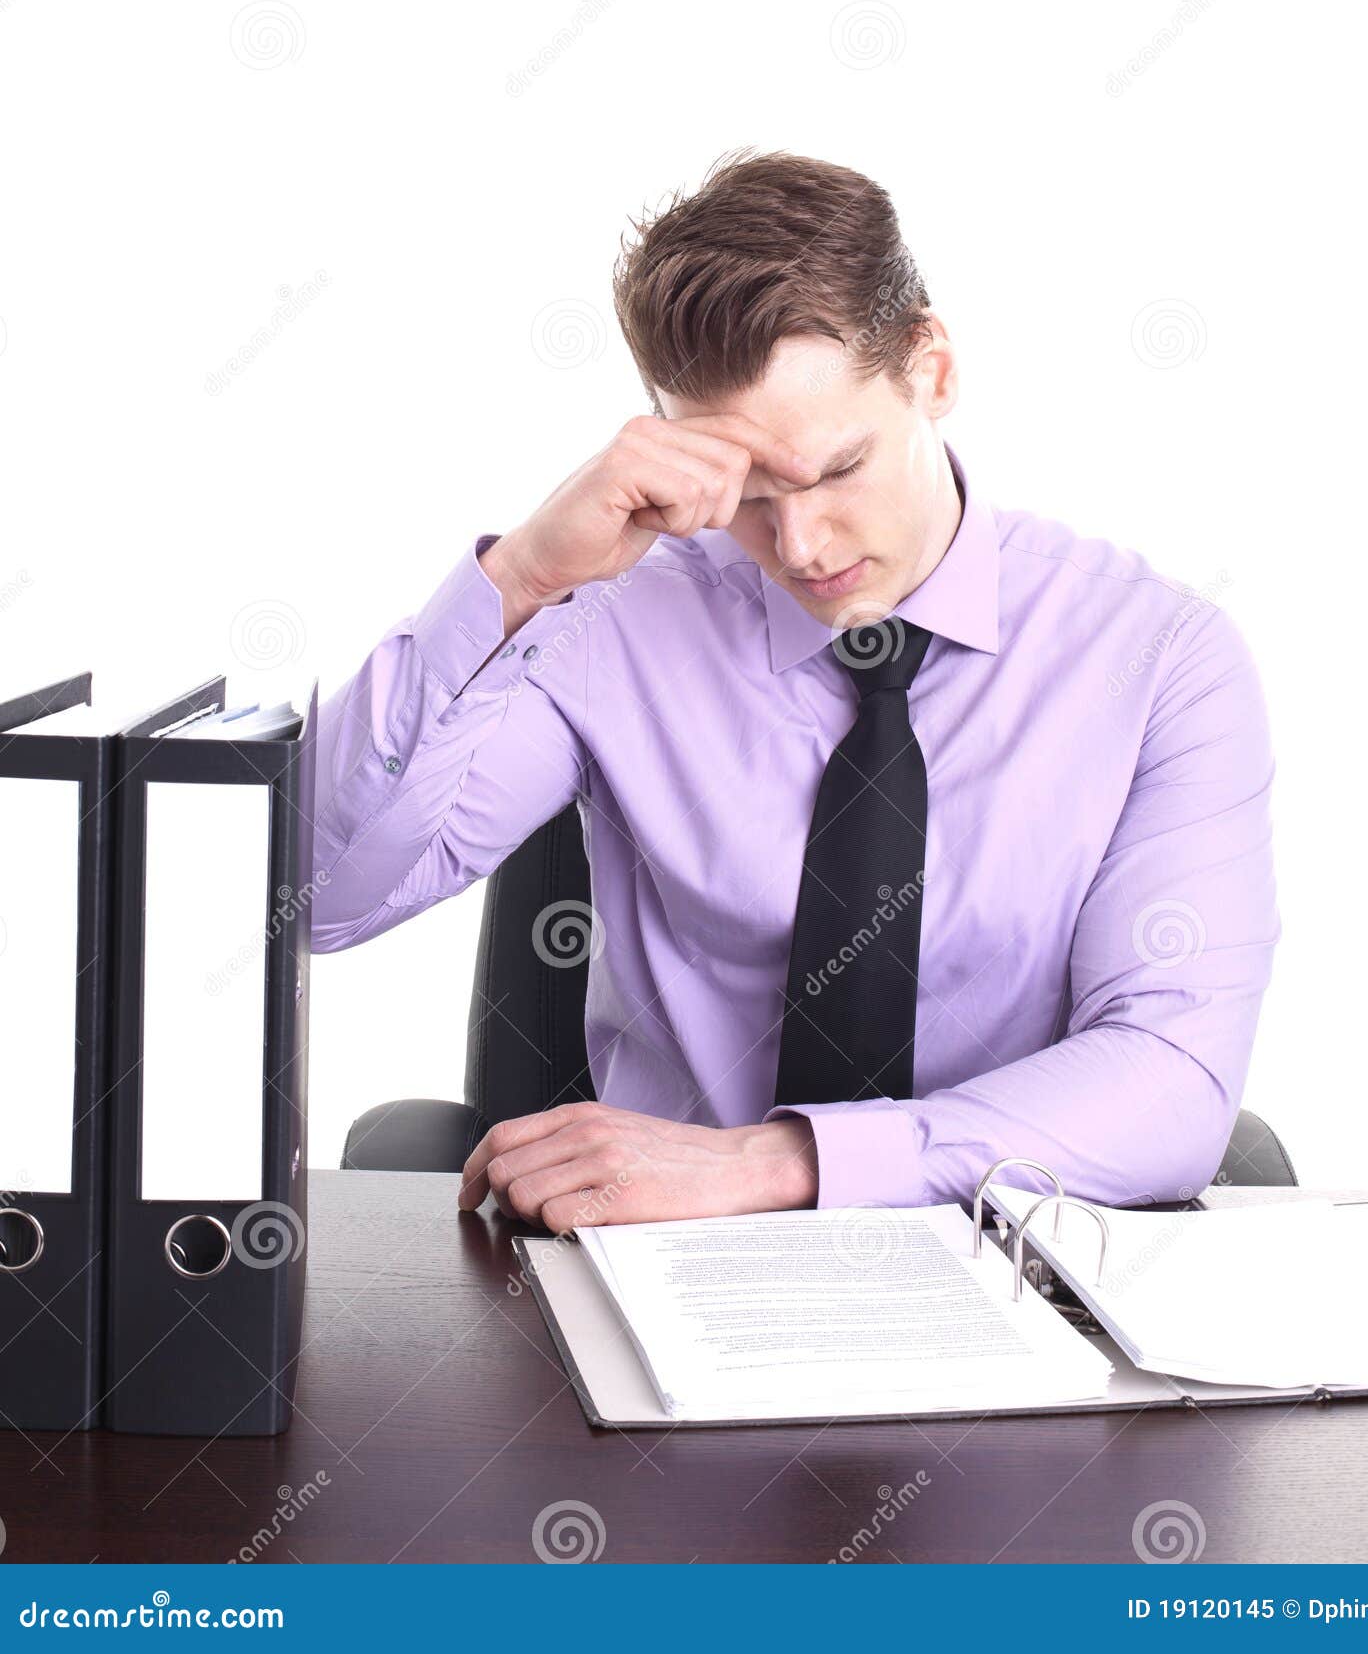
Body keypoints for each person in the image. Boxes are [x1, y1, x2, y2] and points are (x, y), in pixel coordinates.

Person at [312, 150, 1279, 1233]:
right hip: (665, 1260)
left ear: (933, 369)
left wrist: (782, 1162)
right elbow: (322, 896)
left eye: (832, 472)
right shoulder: (613, 621)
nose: (800, 544)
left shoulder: (1159, 661)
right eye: (747, 496)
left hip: (1010, 1254)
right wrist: (523, 576)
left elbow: (1172, 1077)